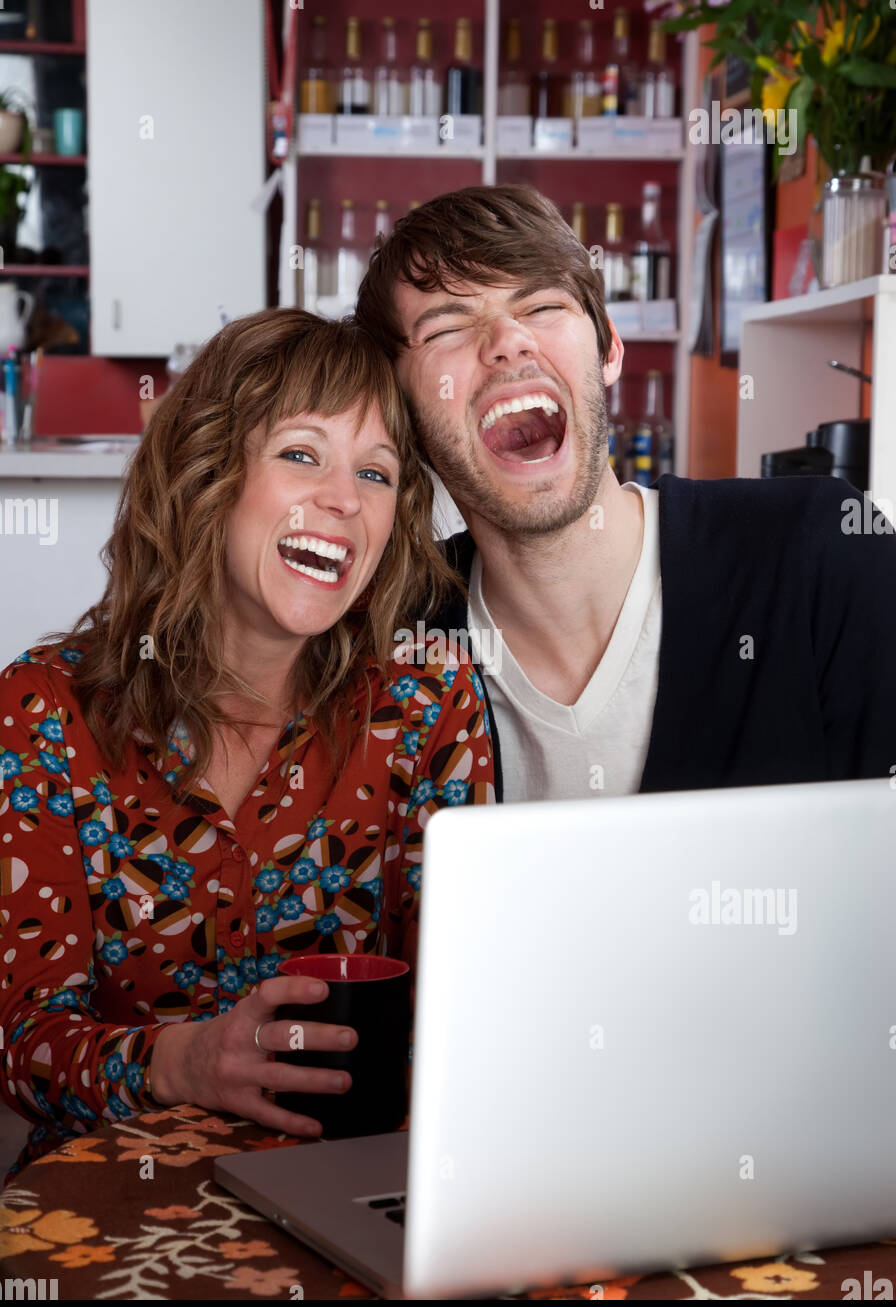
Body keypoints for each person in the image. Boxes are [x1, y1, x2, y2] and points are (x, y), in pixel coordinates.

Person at [0, 309, 494, 1187]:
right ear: (209, 473)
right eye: (301, 454)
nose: (343, 499)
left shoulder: (429, 707)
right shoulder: (46, 710)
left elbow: (469, 1017)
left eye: (375, 473)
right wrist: (183, 1063)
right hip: (122, 1206)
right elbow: (25, 1044)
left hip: (361, 1190)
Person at [354, 185, 896, 803]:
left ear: (609, 347)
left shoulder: (822, 554)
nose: (507, 340)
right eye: (448, 326)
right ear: (402, 411)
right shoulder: (387, 639)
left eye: (541, 307)